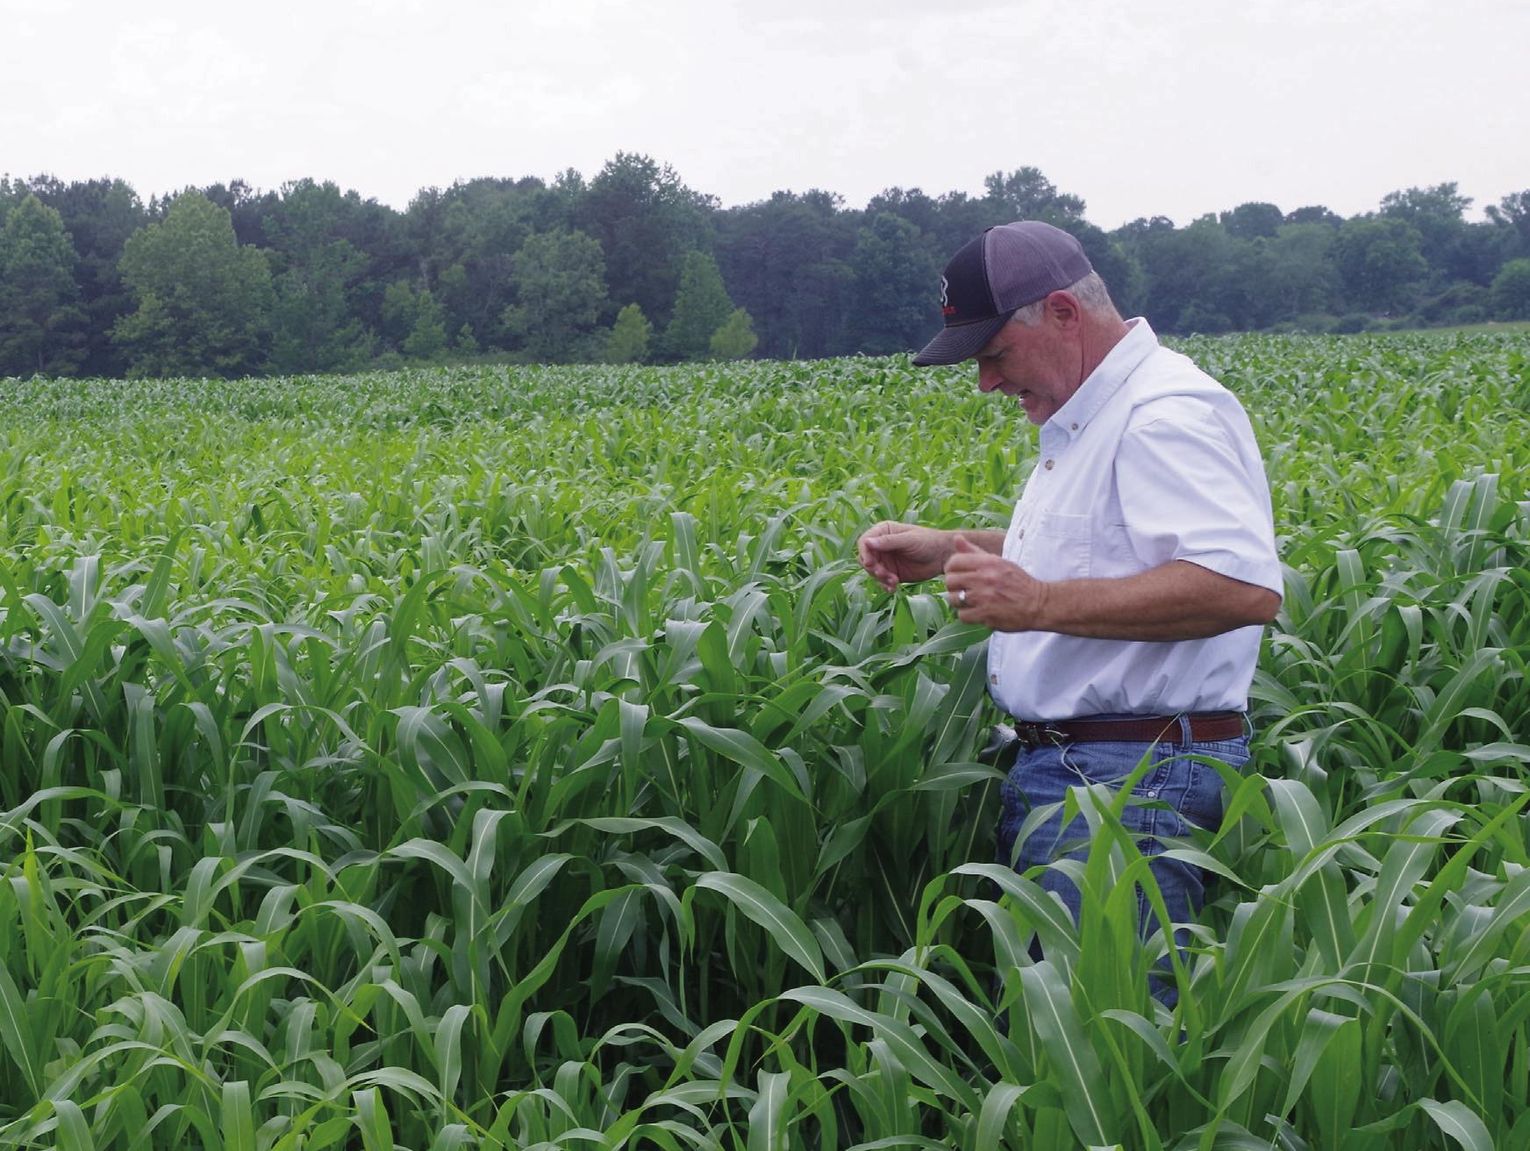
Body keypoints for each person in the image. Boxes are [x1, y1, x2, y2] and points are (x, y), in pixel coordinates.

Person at [857, 221, 1282, 990]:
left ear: (1062, 312)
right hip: (1093, 770)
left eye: (993, 354)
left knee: (1111, 1048)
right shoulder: (1095, 414)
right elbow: (1104, 548)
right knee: (1072, 1043)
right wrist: (952, 546)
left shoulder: (1162, 414)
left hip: (1131, 780)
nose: (986, 381)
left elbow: (1241, 586)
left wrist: (1041, 601)